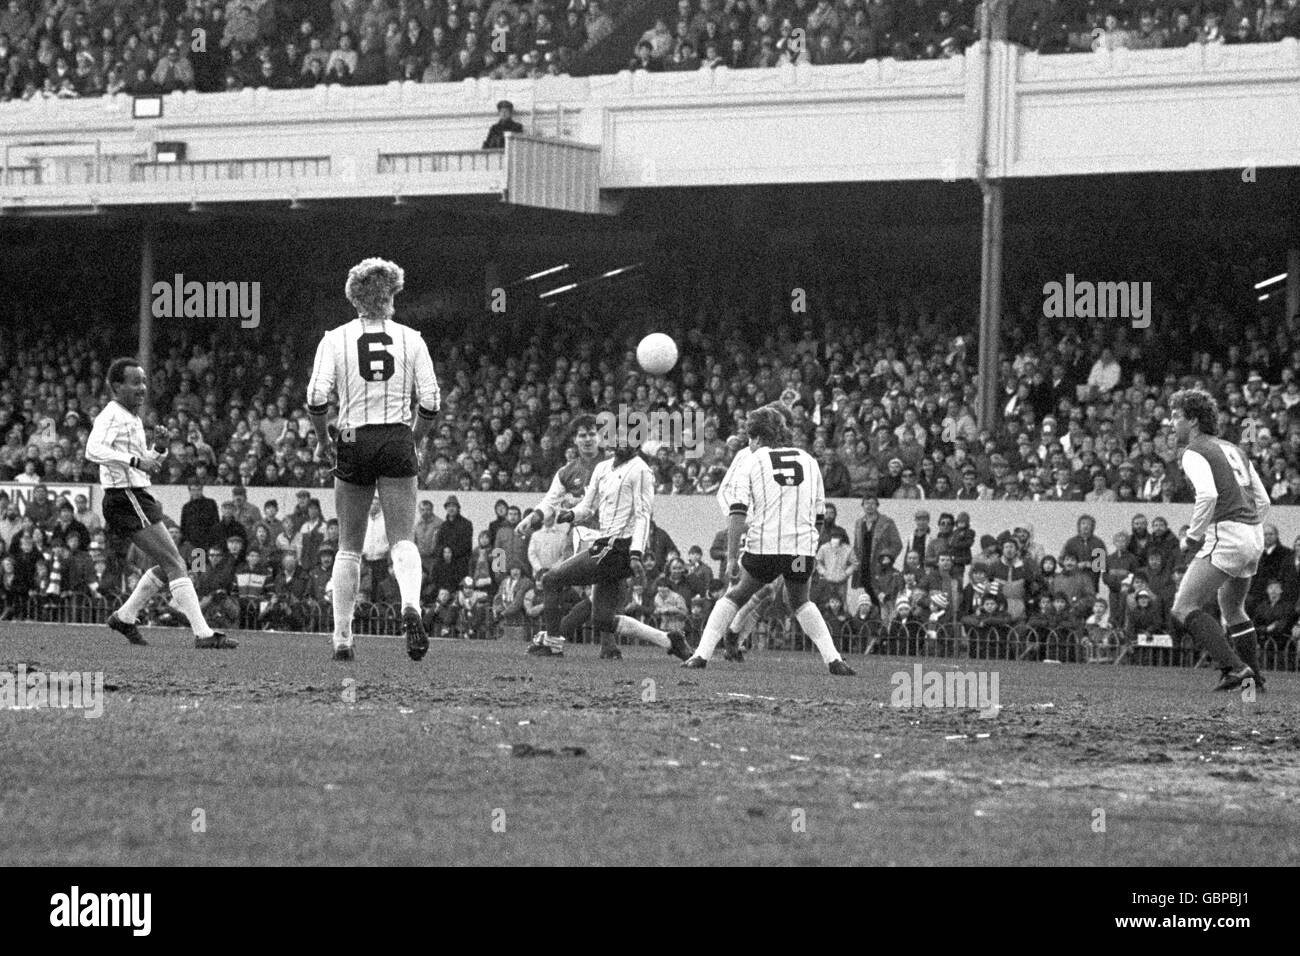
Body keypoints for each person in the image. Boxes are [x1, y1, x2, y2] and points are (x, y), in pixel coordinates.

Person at [306, 257, 441, 662]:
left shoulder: (335, 338)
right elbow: (431, 400)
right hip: (396, 434)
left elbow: (316, 396)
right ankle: (411, 606)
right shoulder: (412, 338)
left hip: (352, 435)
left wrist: (322, 440)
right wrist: (413, 438)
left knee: (349, 546)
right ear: (392, 294)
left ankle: (342, 638)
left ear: (353, 297)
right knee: (403, 538)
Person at [684, 406, 854, 675]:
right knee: (801, 601)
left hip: (765, 550)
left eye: (750, 439)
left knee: (736, 595)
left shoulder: (752, 461)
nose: (749, 444)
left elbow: (737, 511)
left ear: (758, 438)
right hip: (800, 552)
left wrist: (732, 557)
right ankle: (834, 660)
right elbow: (819, 515)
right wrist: (808, 547)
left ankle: (701, 655)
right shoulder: (809, 460)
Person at [88, 358, 235, 649]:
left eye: (144, 382)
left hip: (135, 494)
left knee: (171, 564)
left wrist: (158, 449)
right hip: (125, 496)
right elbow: (93, 449)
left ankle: (125, 616)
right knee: (175, 563)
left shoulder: (132, 417)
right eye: (135, 382)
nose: (142, 388)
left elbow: (145, 465)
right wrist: (136, 460)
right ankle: (203, 634)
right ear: (117, 386)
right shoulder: (111, 414)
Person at [533, 427, 693, 661]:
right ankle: (669, 640)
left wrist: (636, 553)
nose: (623, 443)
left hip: (619, 547)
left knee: (551, 579)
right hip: (606, 545)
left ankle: (553, 643)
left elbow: (643, 515)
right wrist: (571, 514)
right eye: (620, 438)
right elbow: (588, 506)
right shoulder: (602, 468)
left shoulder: (641, 470)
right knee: (602, 620)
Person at [1166, 388, 1270, 691]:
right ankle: (1254, 683)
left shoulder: (1194, 451)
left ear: (1193, 421)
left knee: (1183, 607)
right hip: (1253, 535)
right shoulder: (1234, 448)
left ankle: (1235, 669)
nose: (1171, 422)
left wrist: (1193, 537)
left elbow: (1208, 495)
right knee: (1232, 607)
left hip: (1227, 533)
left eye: (1176, 416)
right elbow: (1263, 501)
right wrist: (1248, 527)